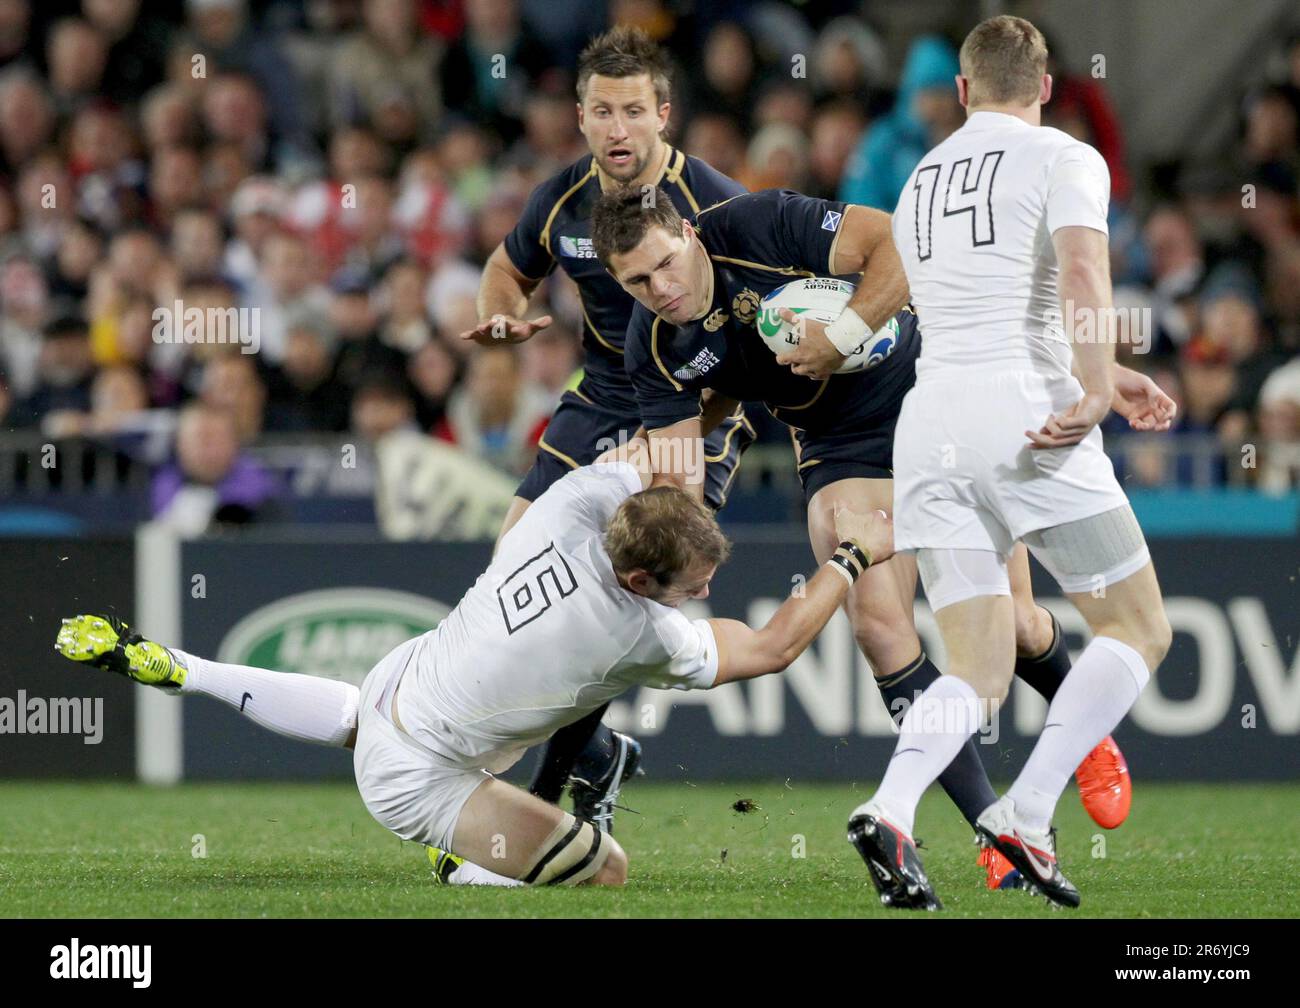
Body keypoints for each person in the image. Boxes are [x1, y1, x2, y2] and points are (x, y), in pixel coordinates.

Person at [590, 178, 1176, 894]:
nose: (658, 289)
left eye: (663, 264)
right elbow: (683, 480)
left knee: (1017, 626)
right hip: (844, 444)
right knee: (877, 625)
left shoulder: (761, 224)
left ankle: (1084, 734)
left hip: (939, 393)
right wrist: (666, 552)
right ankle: (997, 829)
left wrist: (840, 337)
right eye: (636, 281)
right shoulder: (653, 346)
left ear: (686, 233)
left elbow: (899, 242)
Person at [55, 437, 896, 888]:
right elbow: (779, 644)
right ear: (643, 581)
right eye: (694, 585)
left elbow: (650, 447)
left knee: (363, 715)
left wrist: (711, 425)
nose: (704, 594)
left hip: (399, 681)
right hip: (418, 783)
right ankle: (468, 865)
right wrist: (852, 558)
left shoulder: (576, 504)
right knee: (607, 874)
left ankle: (182, 667)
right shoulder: (643, 634)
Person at [847, 15, 1173, 909]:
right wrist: (1099, 385)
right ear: (1044, 88)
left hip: (929, 429)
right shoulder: (1066, 158)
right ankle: (1027, 813)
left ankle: (893, 805)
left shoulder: (916, 180)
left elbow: (986, 311)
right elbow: (1080, 276)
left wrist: (1112, 372)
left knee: (979, 671)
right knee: (1139, 628)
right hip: (1026, 422)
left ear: (959, 92)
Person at [458, 26, 755, 832]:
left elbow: (762, 326)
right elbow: (507, 269)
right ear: (580, 119)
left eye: (632, 111)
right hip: (602, 399)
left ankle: (545, 803)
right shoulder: (560, 199)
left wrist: (701, 426)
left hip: (697, 403)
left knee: (618, 595)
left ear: (663, 115)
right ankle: (600, 756)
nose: (617, 128)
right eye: (600, 111)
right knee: (507, 576)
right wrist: (501, 316)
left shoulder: (719, 207)